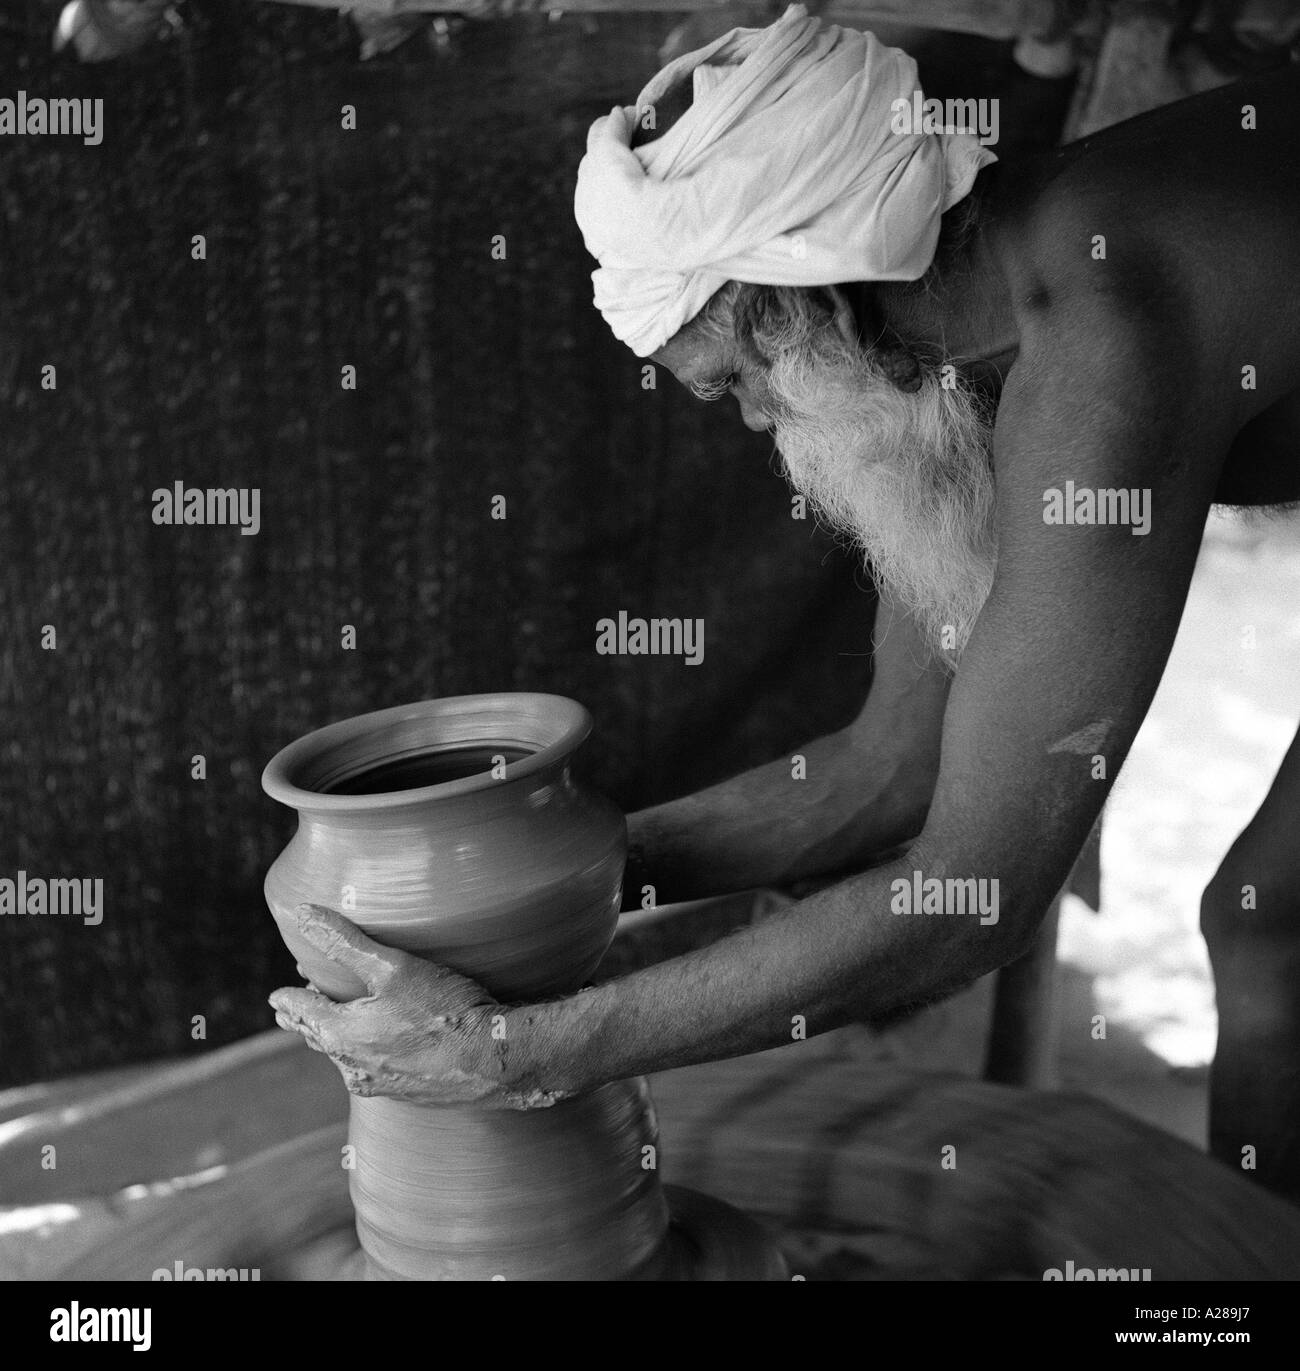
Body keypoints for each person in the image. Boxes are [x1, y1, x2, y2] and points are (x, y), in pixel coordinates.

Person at [271, 5, 1300, 1199]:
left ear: (800, 301)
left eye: (738, 384)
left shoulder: (1099, 342)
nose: (758, 423)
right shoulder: (961, 353)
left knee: (1274, 920)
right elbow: (885, 773)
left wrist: (514, 1058)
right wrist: (507, 888)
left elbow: (978, 893)